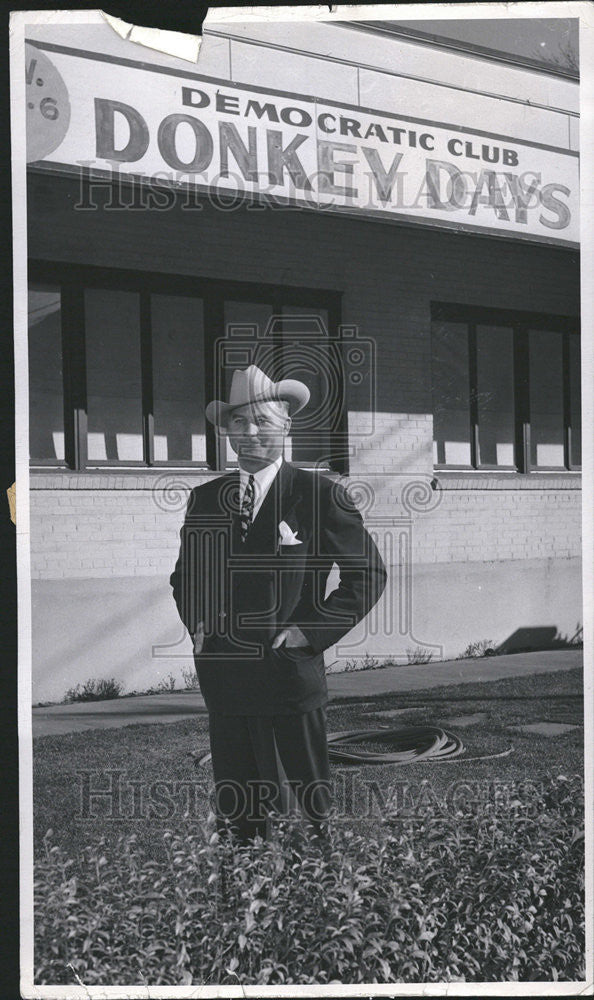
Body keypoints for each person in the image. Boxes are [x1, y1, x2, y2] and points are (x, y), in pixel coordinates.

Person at [170, 364, 387, 844]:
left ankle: (315, 906)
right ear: (226, 430)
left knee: (304, 817)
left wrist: (308, 634)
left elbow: (367, 575)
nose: (251, 433)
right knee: (238, 818)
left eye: (263, 421)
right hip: (225, 682)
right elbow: (185, 577)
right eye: (239, 423)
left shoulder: (319, 494)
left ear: (286, 425)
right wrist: (201, 627)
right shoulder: (206, 500)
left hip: (288, 679)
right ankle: (244, 906)